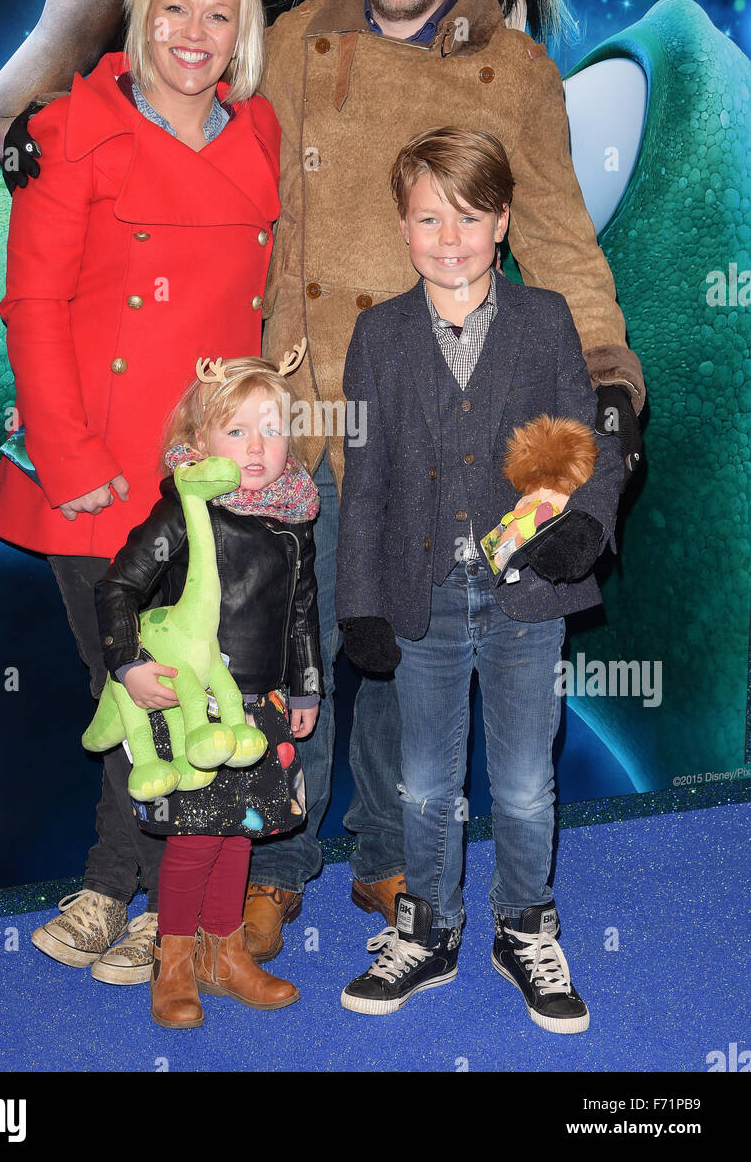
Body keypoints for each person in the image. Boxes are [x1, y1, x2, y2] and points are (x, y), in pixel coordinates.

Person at [246, 0, 643, 956]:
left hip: (432, 406)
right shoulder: (296, 39)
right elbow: (193, 102)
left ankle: (385, 861)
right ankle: (281, 863)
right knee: (295, 655)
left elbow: (561, 243)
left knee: (401, 650)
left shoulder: (513, 70)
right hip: (308, 398)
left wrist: (608, 383)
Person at [0, 0, 282, 984]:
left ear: (241, 33)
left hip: (210, 481)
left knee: (198, 687)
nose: (194, 36)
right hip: (100, 473)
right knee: (130, 680)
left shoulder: (262, 136)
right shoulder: (70, 131)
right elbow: (31, 305)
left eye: (219, 15)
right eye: (175, 10)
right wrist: (68, 462)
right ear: (140, 15)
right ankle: (127, 881)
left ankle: (145, 895)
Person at [334, 127, 623, 1030]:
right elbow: (365, 477)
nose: (448, 237)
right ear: (403, 225)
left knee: (528, 781)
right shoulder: (376, 334)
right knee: (423, 780)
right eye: (428, 217)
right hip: (422, 604)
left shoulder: (544, 320)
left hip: (526, 600)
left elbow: (588, 442)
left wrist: (585, 526)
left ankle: (524, 925)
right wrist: (360, 606)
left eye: (467, 216)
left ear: (502, 221)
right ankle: (428, 929)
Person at [93, 352, 321, 1027]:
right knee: (195, 838)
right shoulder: (184, 511)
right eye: (237, 431)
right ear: (200, 440)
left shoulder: (296, 516)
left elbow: (302, 610)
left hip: (264, 706)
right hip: (196, 707)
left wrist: (305, 687)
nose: (257, 447)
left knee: (240, 835)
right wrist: (128, 663)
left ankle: (225, 955)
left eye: (272, 430)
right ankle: (175, 960)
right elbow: (117, 587)